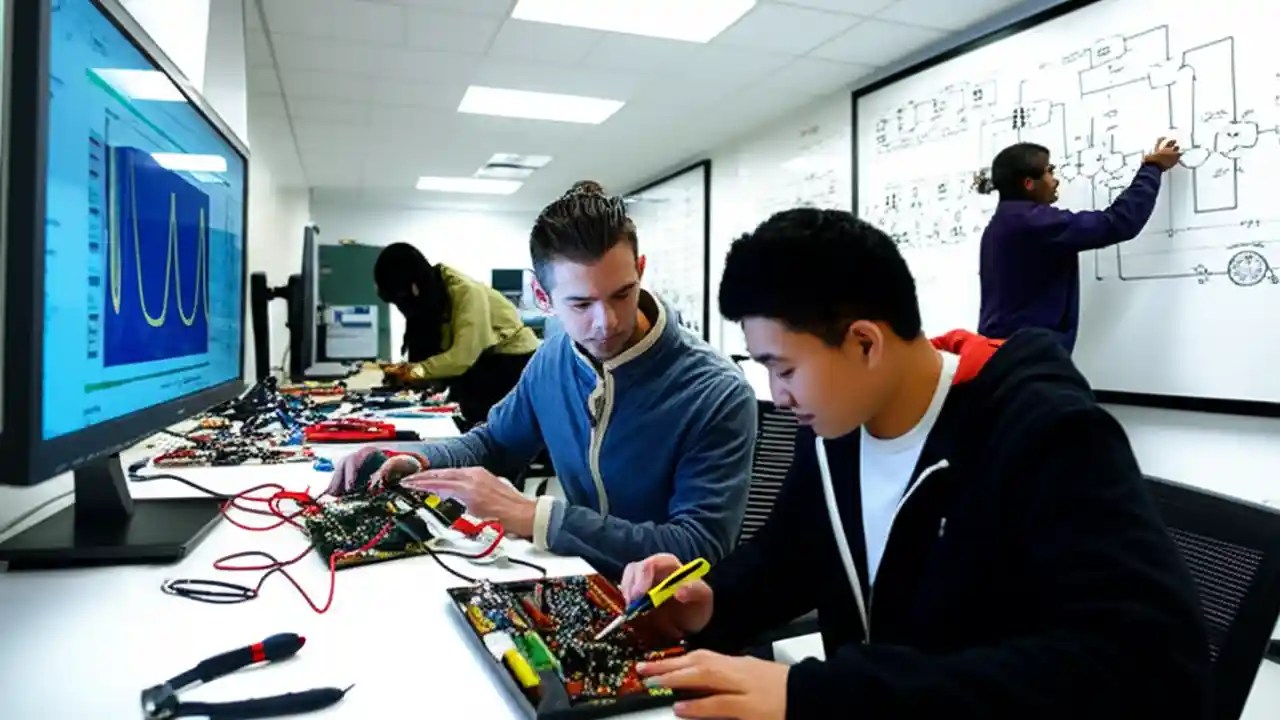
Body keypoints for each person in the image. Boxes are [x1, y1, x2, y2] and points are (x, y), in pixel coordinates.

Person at [619, 208, 1210, 719]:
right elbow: (790, 553)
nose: (778, 395)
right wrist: (710, 601)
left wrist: (824, 697)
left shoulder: (1044, 430)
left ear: (865, 343)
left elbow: (1146, 663)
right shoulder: (837, 424)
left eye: (785, 369)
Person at [327, 182, 757, 578]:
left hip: (673, 610)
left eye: (621, 294)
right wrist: (415, 459)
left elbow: (697, 546)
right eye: (581, 303)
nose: (604, 323)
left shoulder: (715, 390)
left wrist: (533, 517)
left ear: (640, 270)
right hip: (579, 573)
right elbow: (495, 443)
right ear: (542, 297)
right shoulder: (552, 358)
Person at [975, 137, 1182, 352]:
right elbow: (1118, 223)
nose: (1055, 180)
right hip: (1024, 356)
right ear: (1029, 184)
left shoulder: (1003, 223)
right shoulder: (1033, 224)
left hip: (1006, 352)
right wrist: (1153, 167)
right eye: (1050, 171)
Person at [373, 243, 539, 428]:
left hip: (512, 361)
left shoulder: (466, 292)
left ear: (414, 287)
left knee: (487, 422)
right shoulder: (433, 295)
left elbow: (462, 357)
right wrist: (411, 373)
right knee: (468, 415)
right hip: (482, 363)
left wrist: (413, 372)